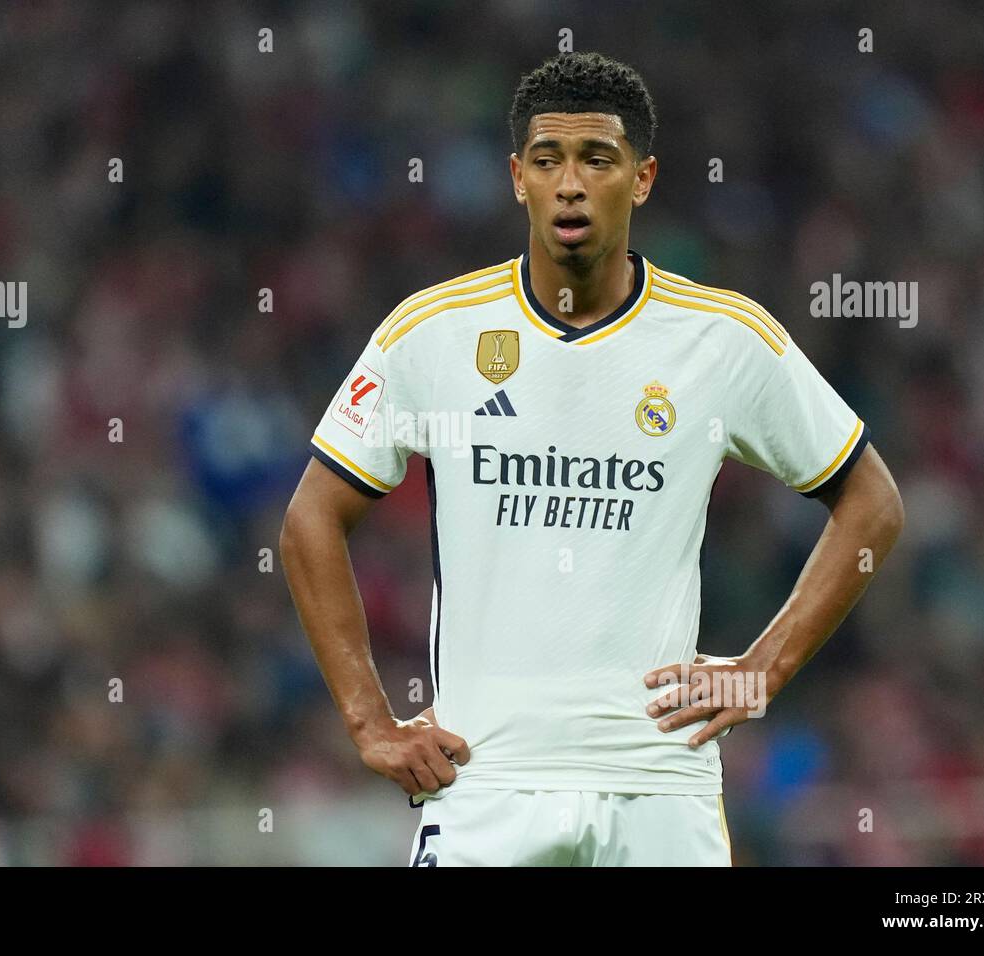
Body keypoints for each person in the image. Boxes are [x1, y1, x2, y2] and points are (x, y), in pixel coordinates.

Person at [279, 51, 905, 866]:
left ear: (642, 179)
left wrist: (762, 669)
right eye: (548, 161)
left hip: (660, 785)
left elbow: (874, 503)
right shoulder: (430, 333)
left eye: (596, 160)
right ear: (516, 178)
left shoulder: (722, 339)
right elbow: (308, 523)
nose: (570, 183)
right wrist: (368, 721)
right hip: (487, 780)